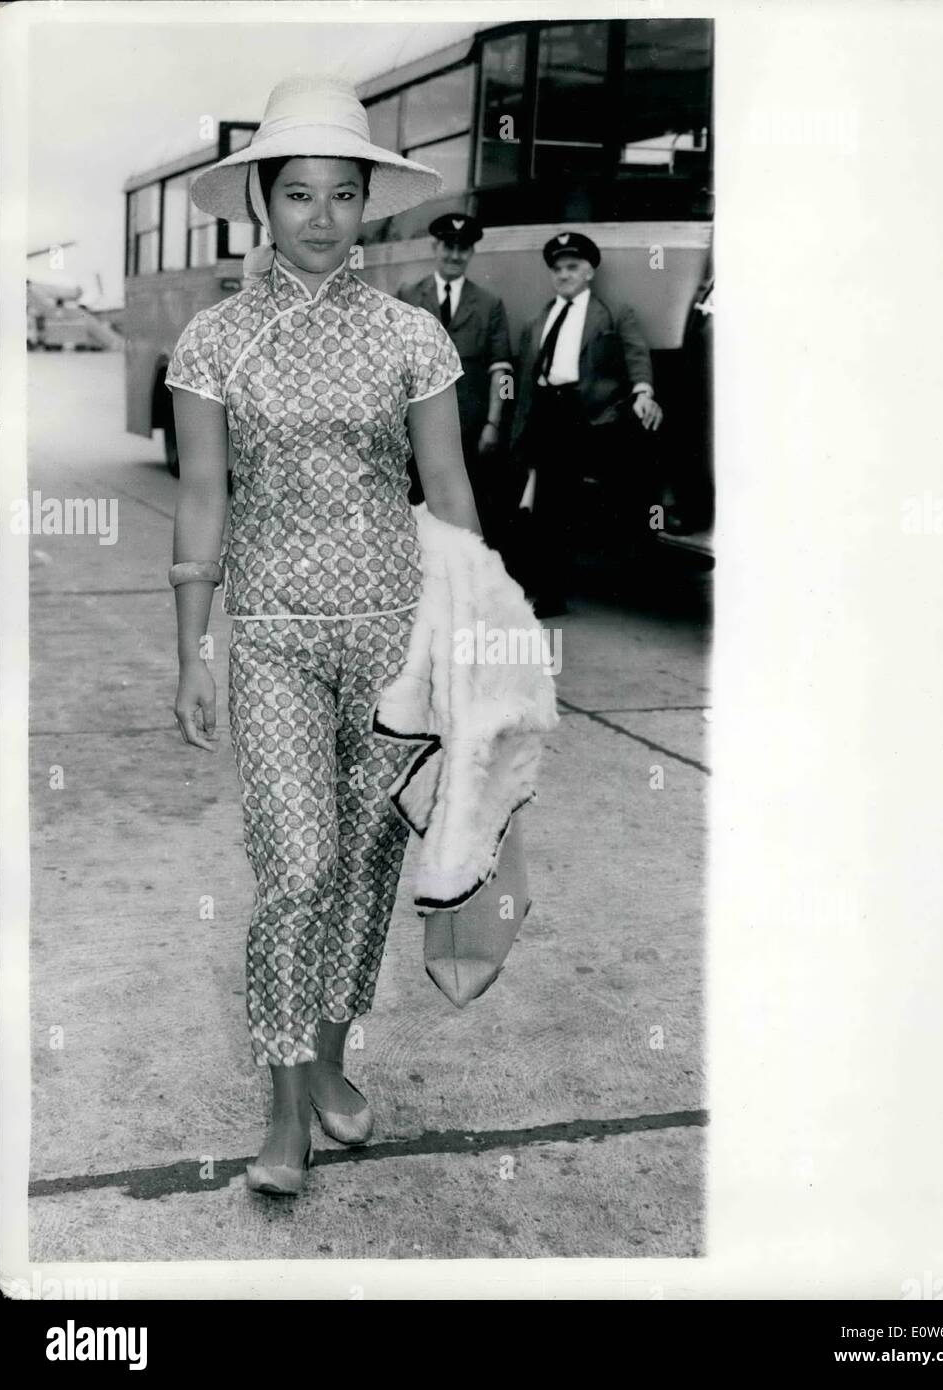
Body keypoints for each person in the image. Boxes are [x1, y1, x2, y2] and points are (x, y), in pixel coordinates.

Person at [165, 74, 482, 1196]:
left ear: (368, 204)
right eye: (296, 193)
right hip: (273, 639)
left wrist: (466, 638)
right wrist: (194, 646)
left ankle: (334, 1061)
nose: (319, 217)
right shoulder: (213, 342)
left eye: (342, 195)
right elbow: (204, 498)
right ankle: (285, 1110)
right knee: (295, 865)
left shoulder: (414, 335)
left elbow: (446, 488)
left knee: (364, 862)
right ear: (261, 199)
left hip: (394, 639)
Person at [509, 231, 663, 616]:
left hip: (591, 414)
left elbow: (635, 354)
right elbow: (527, 379)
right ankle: (548, 593)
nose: (564, 275)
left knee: (608, 498)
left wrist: (644, 392)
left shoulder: (610, 314)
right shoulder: (538, 319)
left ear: (590, 271)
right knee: (548, 505)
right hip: (549, 410)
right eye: (558, 269)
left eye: (573, 267)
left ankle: (638, 582)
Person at [397, 213, 514, 553]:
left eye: (463, 249)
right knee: (413, 506)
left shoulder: (490, 304)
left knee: (465, 513)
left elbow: (501, 370)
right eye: (448, 246)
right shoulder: (408, 295)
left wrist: (494, 421)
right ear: (436, 247)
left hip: (469, 426)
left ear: (472, 253)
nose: (454, 255)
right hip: (413, 425)